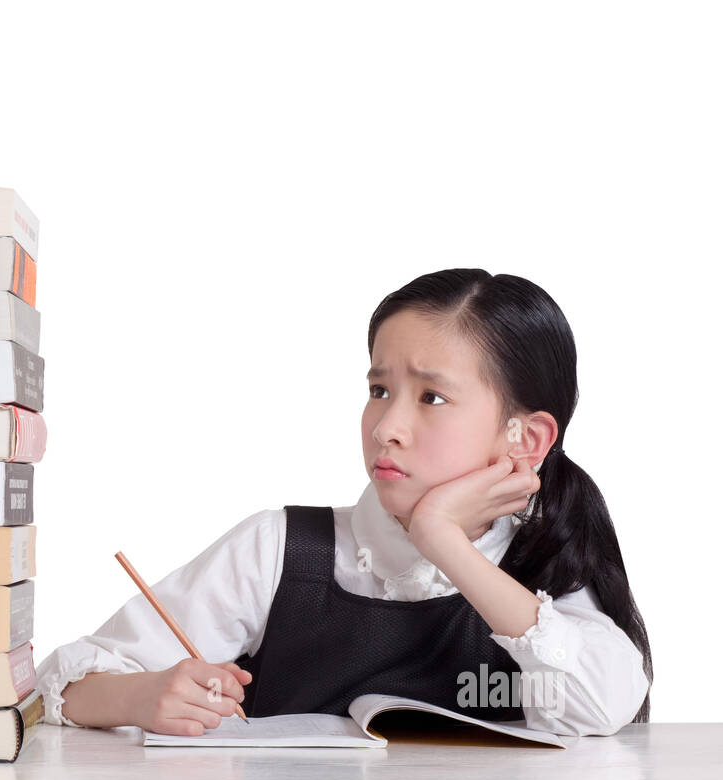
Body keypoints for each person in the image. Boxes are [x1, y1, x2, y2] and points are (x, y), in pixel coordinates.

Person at [35, 268, 652, 737]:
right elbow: (63, 683)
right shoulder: (281, 549)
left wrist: (444, 540)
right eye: (380, 389)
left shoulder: (546, 558)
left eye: (432, 398)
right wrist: (140, 697)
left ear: (528, 437)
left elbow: (602, 707)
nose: (387, 426)